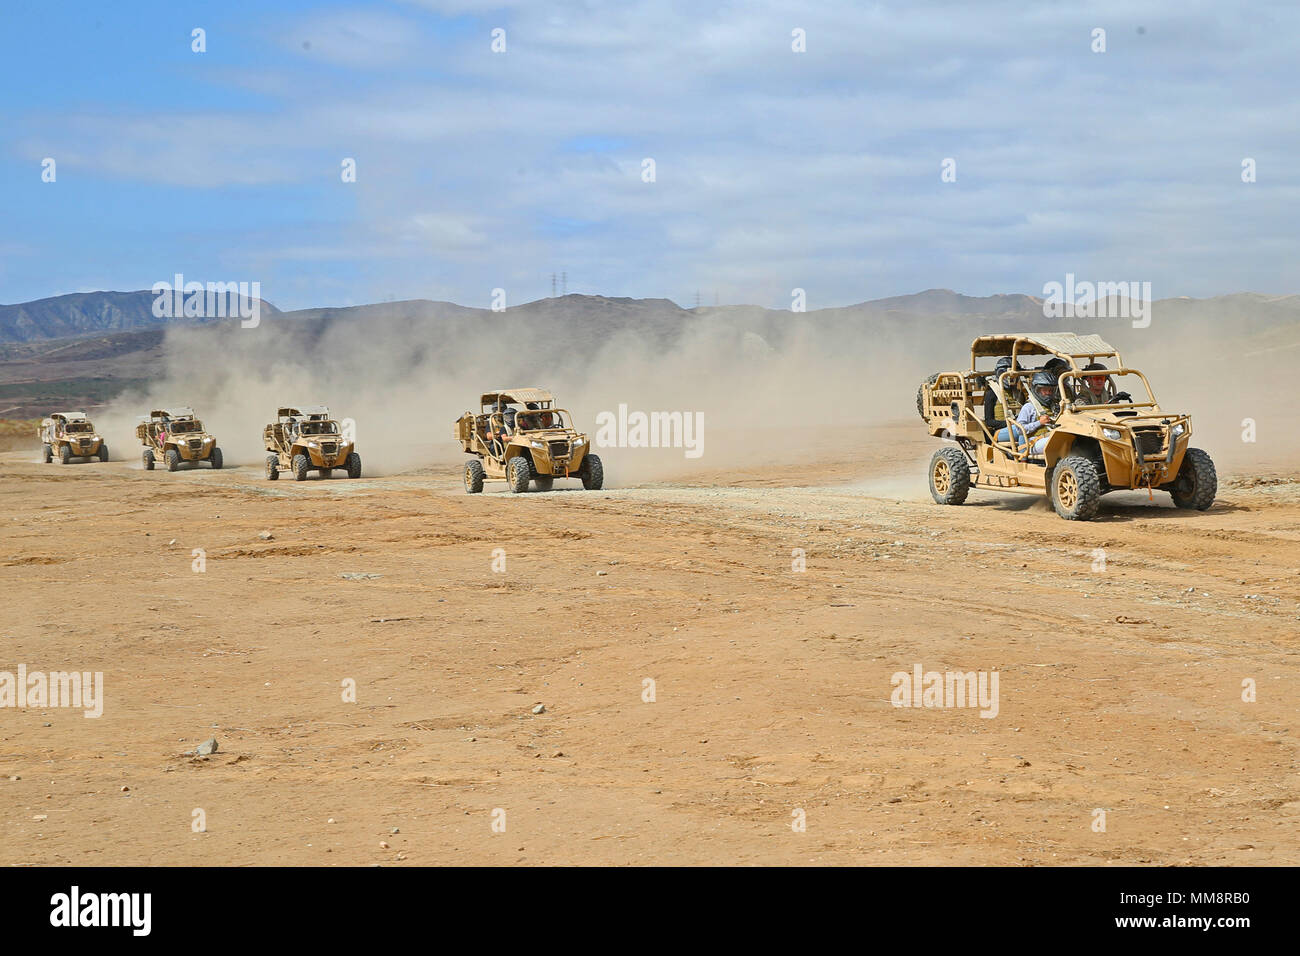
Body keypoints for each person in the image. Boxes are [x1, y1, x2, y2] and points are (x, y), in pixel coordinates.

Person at [996, 369, 1060, 455]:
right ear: (1037, 390)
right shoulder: (1029, 407)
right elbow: (1020, 430)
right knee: (1057, 442)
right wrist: (1039, 423)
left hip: (1052, 436)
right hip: (1034, 442)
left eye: (1051, 390)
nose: (1048, 393)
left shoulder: (1056, 406)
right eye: (1044, 390)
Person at [984, 356, 1017, 431]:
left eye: (1012, 376)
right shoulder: (992, 393)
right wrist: (1007, 423)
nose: (1009, 378)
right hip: (1002, 430)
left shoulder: (1018, 394)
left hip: (1019, 427)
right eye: (1006, 375)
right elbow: (989, 421)